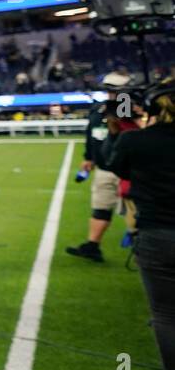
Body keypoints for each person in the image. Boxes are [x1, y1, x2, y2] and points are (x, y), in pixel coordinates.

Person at [98, 77, 175, 370]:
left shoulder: (137, 141)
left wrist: (118, 126)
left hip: (159, 233)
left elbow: (112, 163)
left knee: (166, 313)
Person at [67, 71, 132, 262]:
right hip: (104, 168)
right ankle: (93, 246)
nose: (112, 93)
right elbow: (92, 135)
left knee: (134, 212)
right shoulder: (99, 109)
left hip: (126, 171)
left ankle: (145, 250)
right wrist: (89, 157)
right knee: (101, 207)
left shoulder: (128, 109)